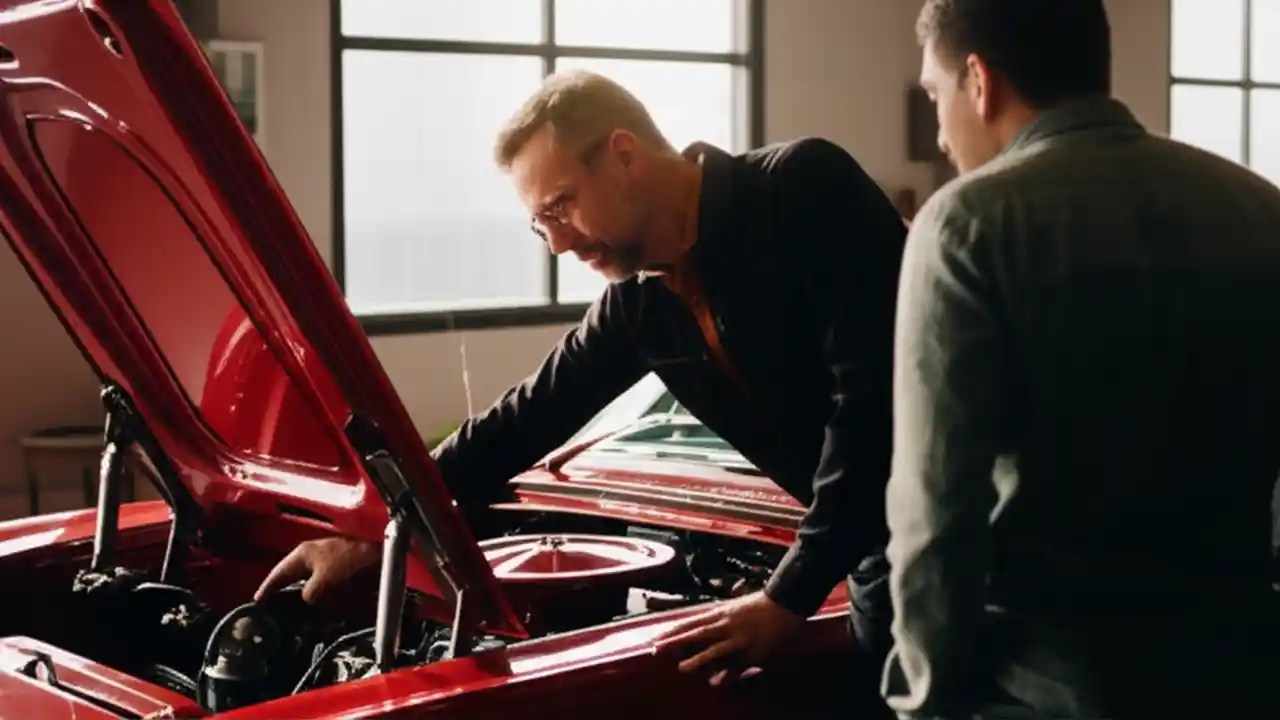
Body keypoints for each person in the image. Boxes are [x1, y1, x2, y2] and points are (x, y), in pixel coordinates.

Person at [256, 70, 908, 695]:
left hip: (955, 532)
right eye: (540, 223)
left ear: (623, 153)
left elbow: (871, 409)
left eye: (561, 205)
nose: (558, 244)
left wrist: (786, 596)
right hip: (874, 558)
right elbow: (520, 422)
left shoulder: (801, 189)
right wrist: (375, 526)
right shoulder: (639, 305)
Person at [883, 0, 1280, 717]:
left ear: (980, 81)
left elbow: (937, 509)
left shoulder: (963, 227)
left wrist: (923, 695)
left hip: (1048, 687)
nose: (939, 132)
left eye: (936, 95)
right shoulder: (1261, 210)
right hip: (1242, 675)